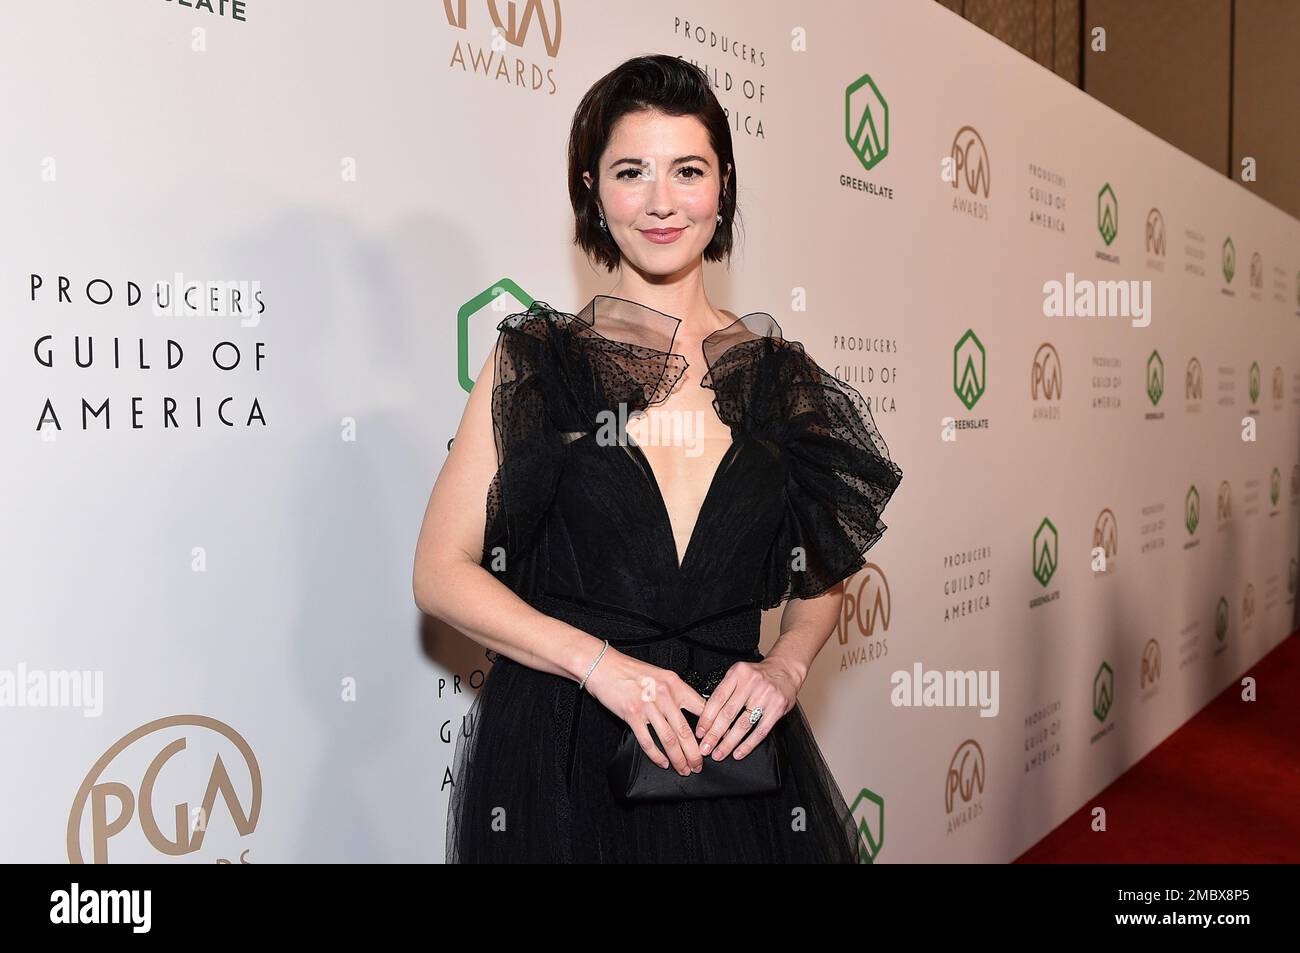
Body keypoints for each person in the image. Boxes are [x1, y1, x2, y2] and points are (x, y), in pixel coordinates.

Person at [413, 54, 902, 863]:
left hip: (729, 754)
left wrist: (784, 665)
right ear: (593, 191)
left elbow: (821, 578)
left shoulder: (785, 380)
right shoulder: (538, 363)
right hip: (565, 746)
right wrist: (602, 667)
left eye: (688, 170)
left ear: (724, 187)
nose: (662, 201)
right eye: (631, 171)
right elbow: (440, 571)